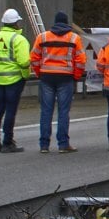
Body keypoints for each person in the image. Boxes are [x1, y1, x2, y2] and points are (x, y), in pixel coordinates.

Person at [31, 11, 87, 152]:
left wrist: (39, 73)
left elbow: (34, 58)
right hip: (65, 78)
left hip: (46, 77)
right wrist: (75, 76)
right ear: (66, 23)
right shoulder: (74, 38)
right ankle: (63, 144)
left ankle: (44, 145)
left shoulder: (42, 37)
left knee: (46, 111)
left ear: (55, 23)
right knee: (63, 111)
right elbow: (81, 60)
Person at [0, 8, 31, 152]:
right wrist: (25, 75)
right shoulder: (19, 40)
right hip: (15, 80)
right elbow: (24, 62)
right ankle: (8, 142)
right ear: (16, 23)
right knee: (10, 111)